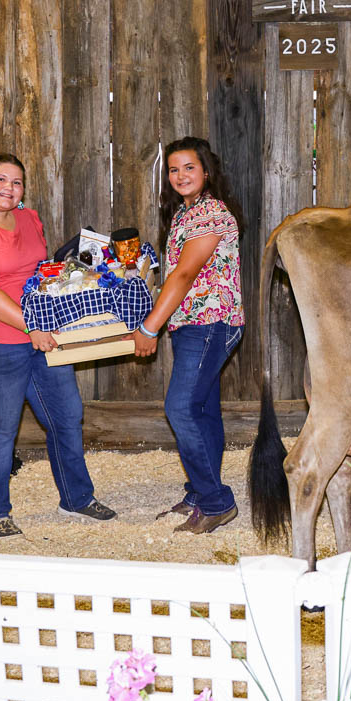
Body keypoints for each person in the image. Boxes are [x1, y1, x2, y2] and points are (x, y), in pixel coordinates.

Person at [0, 153, 116, 538]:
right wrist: (32, 326)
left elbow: (37, 274)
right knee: (0, 431)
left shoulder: (29, 218)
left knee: (66, 417)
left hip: (41, 338)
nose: (9, 189)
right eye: (0, 179)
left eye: (16, 183)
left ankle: (77, 497)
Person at [133, 137, 245, 535]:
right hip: (192, 324)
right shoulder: (185, 213)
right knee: (201, 411)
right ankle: (201, 492)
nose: (180, 176)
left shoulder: (211, 213)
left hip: (211, 322)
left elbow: (183, 275)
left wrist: (149, 327)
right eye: (174, 169)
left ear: (207, 172)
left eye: (189, 168)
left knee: (180, 409)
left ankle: (217, 502)